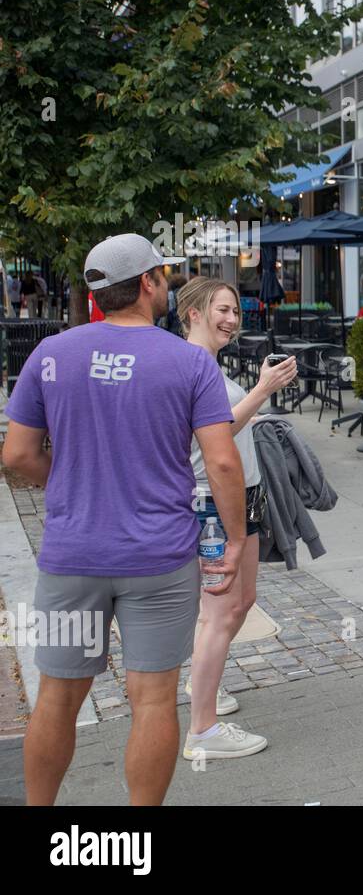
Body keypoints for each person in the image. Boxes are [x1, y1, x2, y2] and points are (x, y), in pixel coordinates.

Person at [2, 233, 247, 805]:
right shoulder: (188, 360)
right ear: (146, 283)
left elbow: (16, 454)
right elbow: (222, 461)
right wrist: (233, 541)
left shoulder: (52, 352)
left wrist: (65, 483)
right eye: (162, 276)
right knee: (155, 699)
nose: (165, 284)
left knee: (58, 697)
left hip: (72, 556)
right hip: (158, 559)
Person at [176, 277, 298, 760]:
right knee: (221, 609)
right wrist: (263, 390)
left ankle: (202, 686)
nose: (231, 319)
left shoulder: (206, 363)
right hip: (212, 500)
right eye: (222, 310)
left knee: (241, 601)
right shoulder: (189, 364)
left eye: (235, 312)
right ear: (193, 313)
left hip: (242, 494)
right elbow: (216, 433)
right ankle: (201, 730)